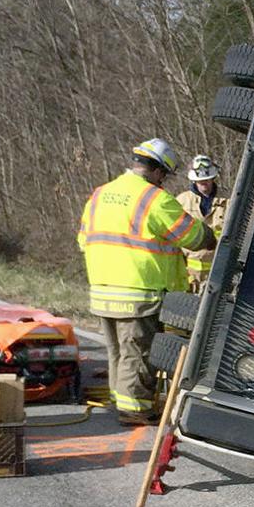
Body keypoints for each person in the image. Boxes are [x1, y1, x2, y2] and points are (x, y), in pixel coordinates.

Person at [77, 139, 215, 425]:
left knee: (117, 351)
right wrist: (210, 234)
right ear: (157, 171)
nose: (163, 180)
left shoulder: (101, 194)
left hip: (102, 290)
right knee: (138, 353)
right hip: (137, 293)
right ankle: (135, 409)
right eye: (163, 175)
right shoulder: (154, 199)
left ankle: (121, 399)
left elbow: (83, 240)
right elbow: (194, 237)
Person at [175, 154, 228, 293]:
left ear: (213, 177)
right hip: (189, 276)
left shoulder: (228, 201)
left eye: (206, 179)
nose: (203, 182)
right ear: (193, 179)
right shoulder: (182, 201)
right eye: (200, 180)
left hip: (218, 275)